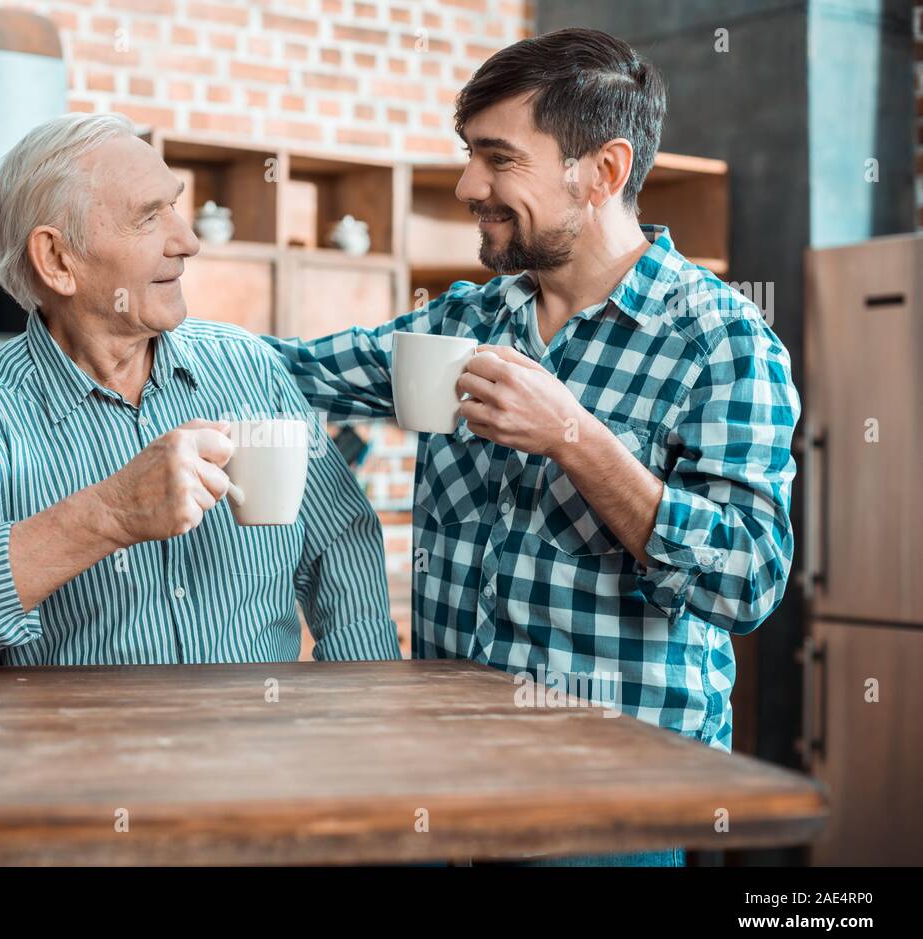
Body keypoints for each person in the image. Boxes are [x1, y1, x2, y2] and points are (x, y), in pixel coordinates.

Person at [263, 29, 800, 867]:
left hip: (613, 802)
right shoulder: (463, 322)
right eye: (468, 153)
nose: (468, 183)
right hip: (445, 777)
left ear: (604, 171)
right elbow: (291, 371)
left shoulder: (720, 341)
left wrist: (575, 437)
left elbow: (749, 579)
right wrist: (144, 322)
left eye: (497, 158)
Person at [0, 112, 400, 669]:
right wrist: (109, 513)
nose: (187, 241)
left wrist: (362, 697)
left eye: (175, 206)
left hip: (253, 748)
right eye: (149, 218)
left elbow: (340, 539)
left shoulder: (250, 370)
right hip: (73, 753)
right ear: (57, 260)